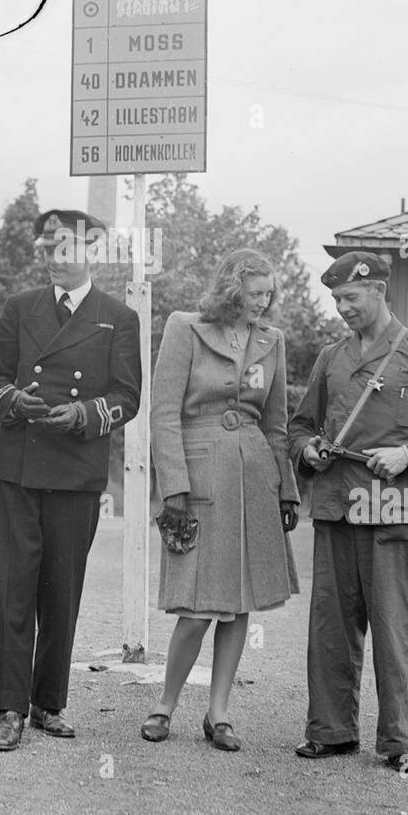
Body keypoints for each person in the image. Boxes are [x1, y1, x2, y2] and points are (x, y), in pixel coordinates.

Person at [288, 251, 408, 774]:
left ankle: (398, 742)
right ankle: (330, 731)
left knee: (394, 627)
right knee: (330, 627)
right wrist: (307, 451)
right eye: (335, 300)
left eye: (350, 298)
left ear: (378, 291)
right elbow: (301, 427)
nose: (342, 308)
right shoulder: (330, 358)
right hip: (335, 506)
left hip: (393, 507)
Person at [0, 209, 142, 751]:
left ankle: (47, 703)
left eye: (67, 248)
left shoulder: (117, 316)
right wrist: (11, 400)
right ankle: (7, 708)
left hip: (76, 469)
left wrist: (84, 415)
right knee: (12, 587)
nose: (56, 258)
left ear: (94, 251)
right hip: (21, 464)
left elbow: (128, 397)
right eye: (49, 249)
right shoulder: (20, 307)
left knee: (61, 587)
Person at [141, 249, 300, 752]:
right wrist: (174, 486)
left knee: (239, 602)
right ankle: (164, 704)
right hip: (199, 473)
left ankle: (219, 713)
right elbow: (163, 413)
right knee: (197, 604)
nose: (264, 301)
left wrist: (286, 489)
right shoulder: (185, 328)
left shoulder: (273, 342)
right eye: (255, 293)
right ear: (232, 289)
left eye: (269, 293)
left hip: (254, 476)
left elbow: (275, 423)